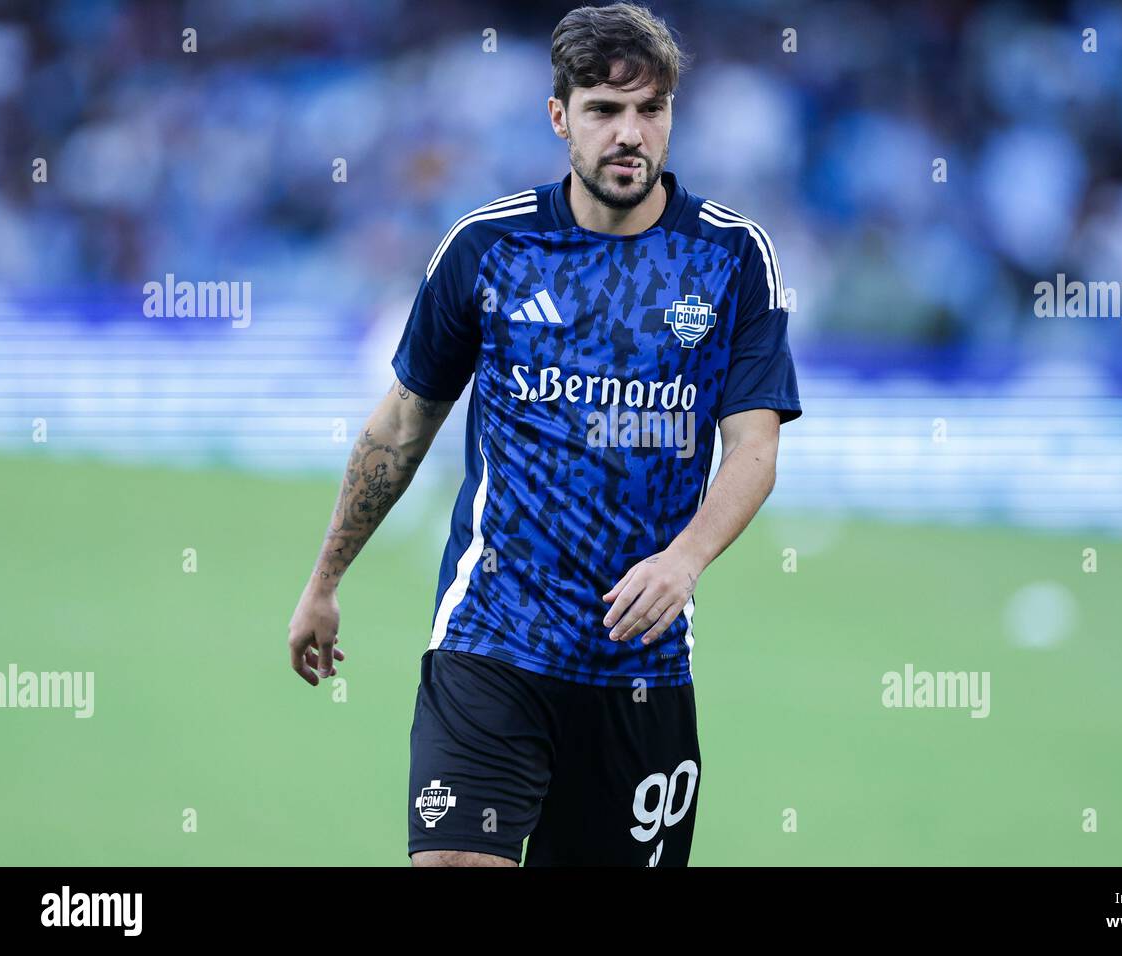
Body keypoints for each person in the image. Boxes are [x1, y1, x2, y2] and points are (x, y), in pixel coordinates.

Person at [287, 1, 801, 867]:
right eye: (604, 109)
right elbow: (405, 422)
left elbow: (754, 447)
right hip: (491, 642)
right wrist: (324, 578)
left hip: (639, 670)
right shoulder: (489, 248)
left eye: (651, 109)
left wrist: (685, 560)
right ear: (560, 116)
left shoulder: (733, 259)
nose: (629, 133)